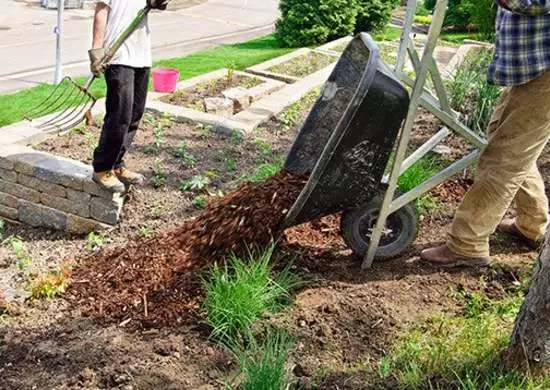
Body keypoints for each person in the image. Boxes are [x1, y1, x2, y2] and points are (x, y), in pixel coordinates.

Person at [421, 0, 550, 267]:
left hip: (545, 71)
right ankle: (533, 224)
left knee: (505, 157)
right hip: (532, 67)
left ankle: (467, 244)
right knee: (505, 140)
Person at [89, 0, 168, 193]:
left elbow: (156, 4)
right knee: (120, 115)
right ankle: (102, 168)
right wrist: (96, 50)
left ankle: (117, 163)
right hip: (118, 57)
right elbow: (101, 11)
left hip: (141, 55)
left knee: (135, 114)